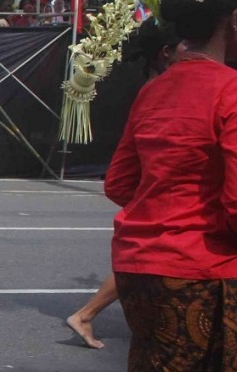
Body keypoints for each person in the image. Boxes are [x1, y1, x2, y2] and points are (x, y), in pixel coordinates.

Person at [49, 0, 237, 372]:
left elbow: (119, 184)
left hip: (140, 267)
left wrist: (166, 204)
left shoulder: (154, 90)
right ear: (232, 23)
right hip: (197, 271)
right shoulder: (229, 91)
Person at [66, 17, 182, 349]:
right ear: (166, 53)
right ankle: (86, 314)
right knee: (144, 257)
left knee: (145, 258)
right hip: (156, 191)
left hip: (154, 191)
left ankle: (89, 314)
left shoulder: (160, 86)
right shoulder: (158, 90)